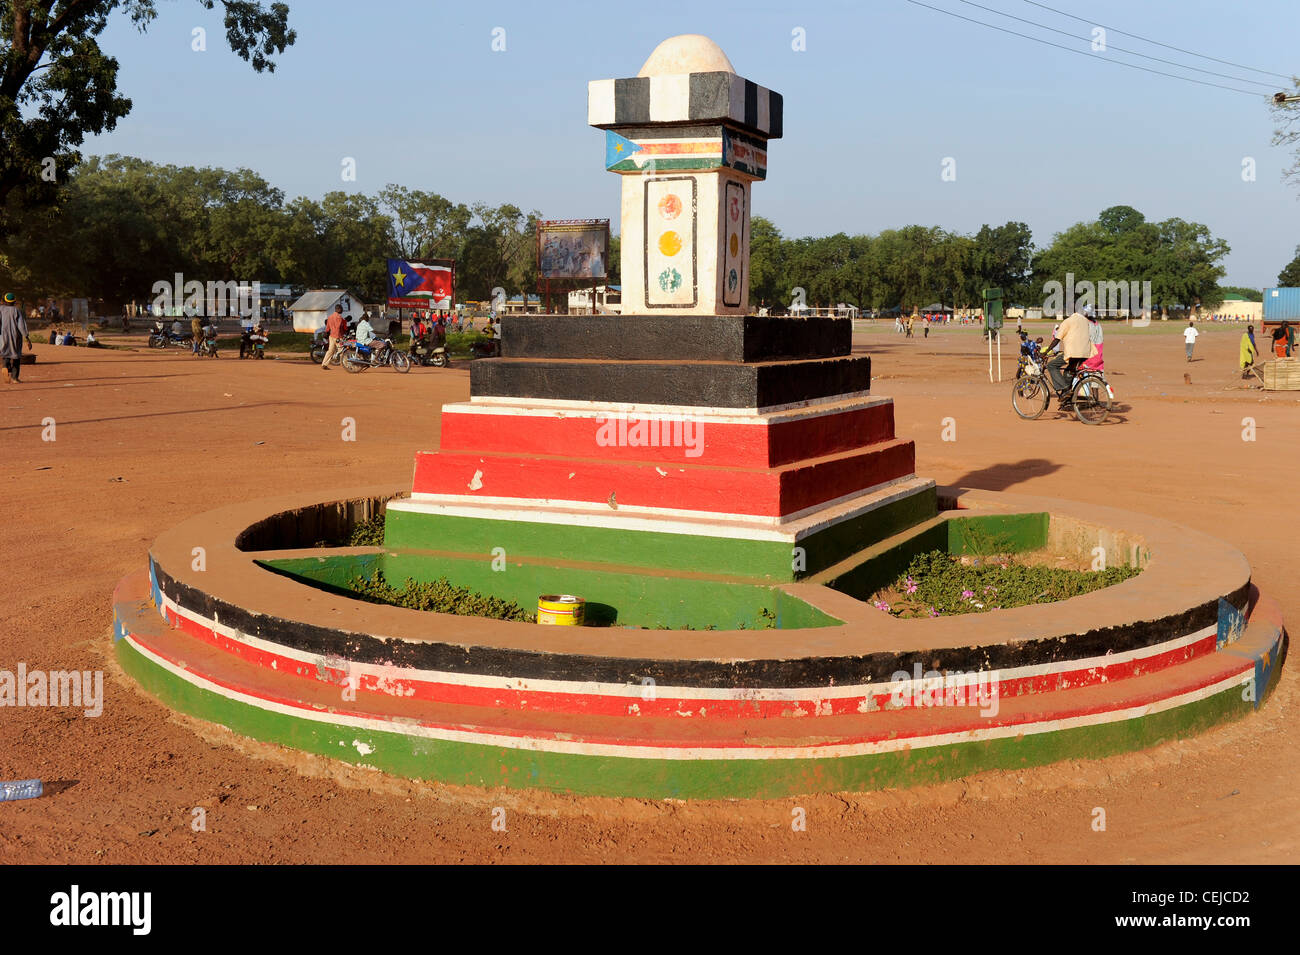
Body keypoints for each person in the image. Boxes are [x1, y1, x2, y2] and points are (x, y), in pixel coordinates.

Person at [1045, 306, 1091, 392]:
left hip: (1073, 353)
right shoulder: (1085, 321)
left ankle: (1065, 388)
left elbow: (1057, 339)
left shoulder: (1068, 321)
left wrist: (1046, 352)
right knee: (1068, 371)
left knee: (1051, 365)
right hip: (1086, 353)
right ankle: (1067, 394)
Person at [1, 293, 34, 383]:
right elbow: (21, 326)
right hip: (15, 336)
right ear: (14, 301)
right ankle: (14, 378)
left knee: (5, 352)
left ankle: (5, 366)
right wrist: (27, 338)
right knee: (16, 356)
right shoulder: (17, 311)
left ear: (4, 301)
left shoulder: (1, 309)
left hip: (3, 335)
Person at [320, 305, 347, 370]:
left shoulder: (330, 317)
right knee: (342, 351)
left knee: (330, 351)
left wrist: (327, 333)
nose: (342, 310)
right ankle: (346, 365)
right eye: (342, 309)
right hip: (338, 337)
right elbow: (337, 328)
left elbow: (327, 328)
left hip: (331, 336)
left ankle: (324, 364)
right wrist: (338, 337)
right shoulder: (339, 317)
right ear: (339, 309)